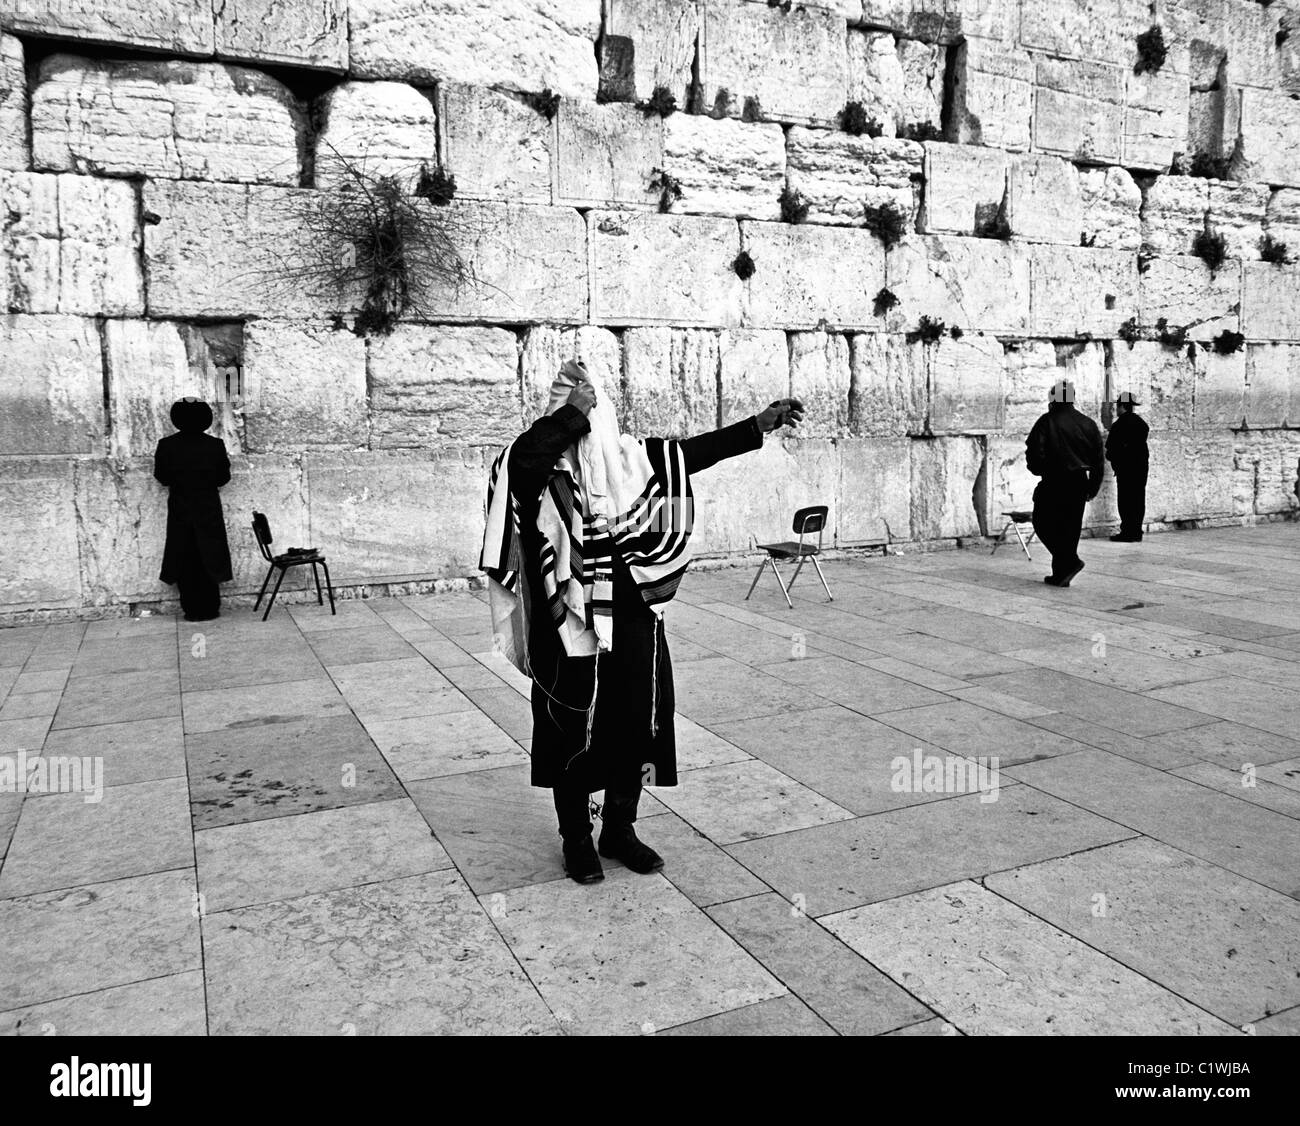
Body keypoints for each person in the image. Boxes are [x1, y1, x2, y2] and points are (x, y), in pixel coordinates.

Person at [481, 360, 804, 884]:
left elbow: (689, 454)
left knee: (634, 724)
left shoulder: (629, 460)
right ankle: (576, 840)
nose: (586, 415)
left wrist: (757, 425)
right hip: (567, 624)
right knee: (571, 730)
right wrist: (567, 421)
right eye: (573, 403)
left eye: (591, 403)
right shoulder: (532, 465)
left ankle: (619, 829)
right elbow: (524, 463)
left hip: (632, 620)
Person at [154, 398, 233, 622]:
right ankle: (210, 607)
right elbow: (223, 477)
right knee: (209, 555)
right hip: (208, 508)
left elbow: (162, 476)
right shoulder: (214, 445)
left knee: (184, 556)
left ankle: (191, 608)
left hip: (180, 509)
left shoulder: (166, 445)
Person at [1025, 379, 1104, 587]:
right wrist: (1093, 487)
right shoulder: (1088, 423)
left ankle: (1068, 563)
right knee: (1070, 529)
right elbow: (1097, 460)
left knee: (1042, 522)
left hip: (1054, 480)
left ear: (1053, 398)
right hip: (1079, 483)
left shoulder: (1046, 421)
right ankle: (1060, 574)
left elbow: (1034, 453)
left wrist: (1040, 470)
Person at [1105, 390, 1148, 542]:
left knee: (1126, 501)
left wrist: (1115, 459)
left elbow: (1110, 449)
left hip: (1126, 470)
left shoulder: (1119, 425)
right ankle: (1136, 531)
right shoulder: (1141, 424)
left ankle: (1128, 532)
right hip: (1141, 469)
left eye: (1117, 406)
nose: (1116, 410)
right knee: (1138, 499)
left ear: (1122, 406)